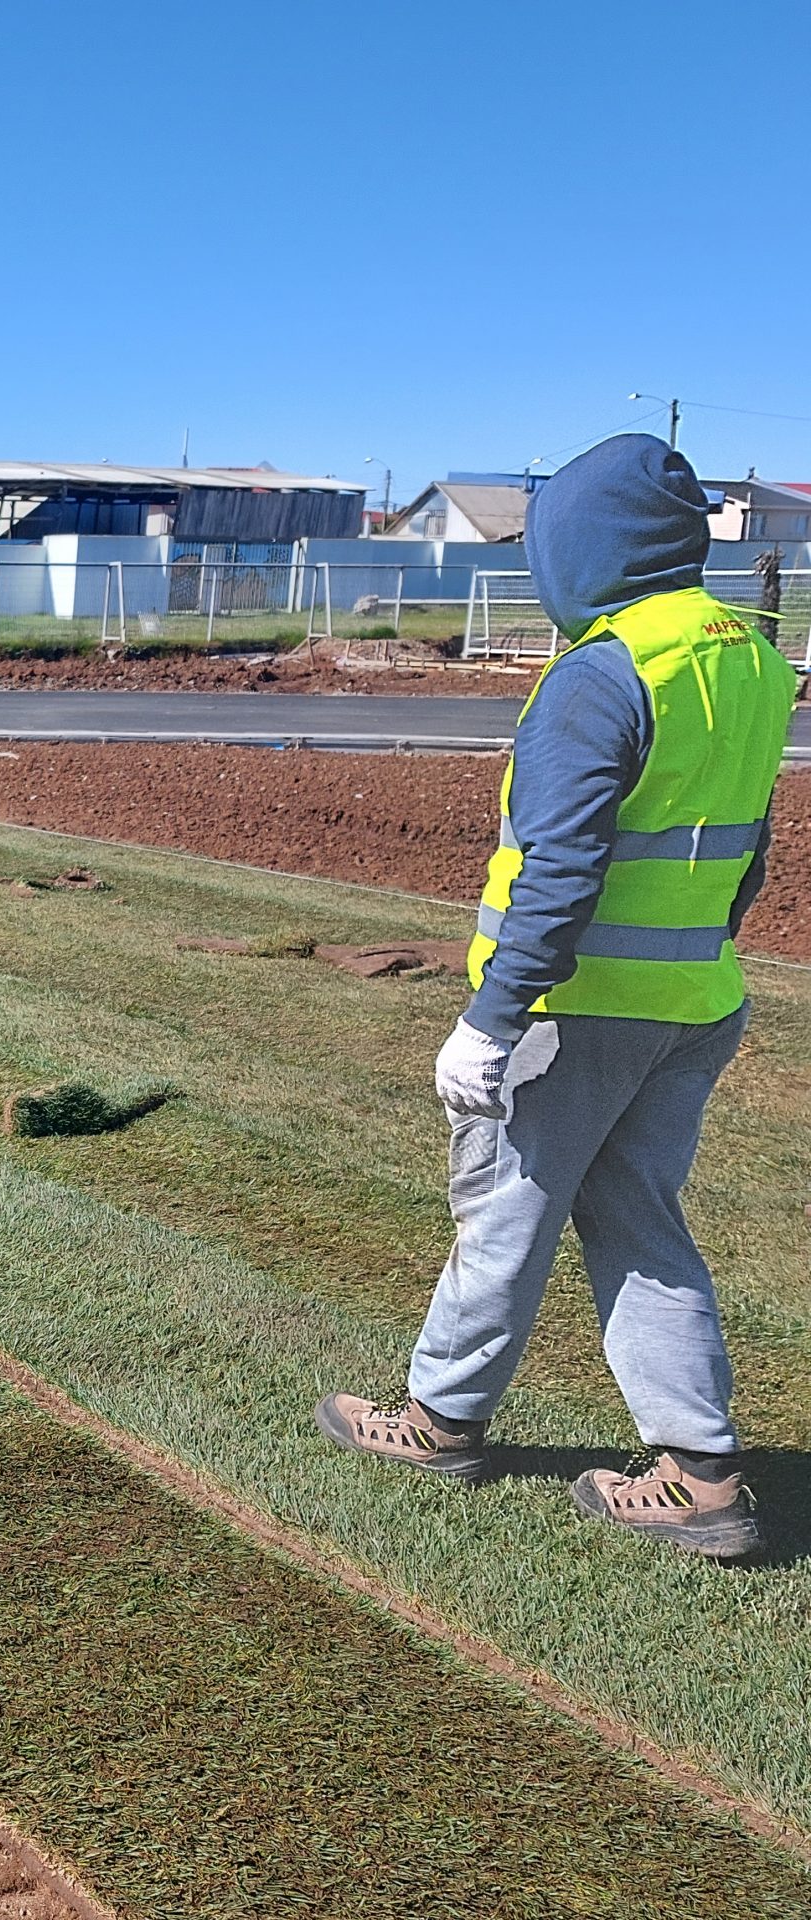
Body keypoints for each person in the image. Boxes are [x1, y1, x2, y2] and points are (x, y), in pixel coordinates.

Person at [317, 434, 796, 1562]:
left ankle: (437, 1423)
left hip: (573, 1011)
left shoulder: (601, 670)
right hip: (695, 1001)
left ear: (586, 547)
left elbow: (559, 866)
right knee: (638, 1220)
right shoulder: (749, 655)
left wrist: (491, 1021)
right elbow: (746, 849)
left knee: (503, 1218)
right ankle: (701, 1474)